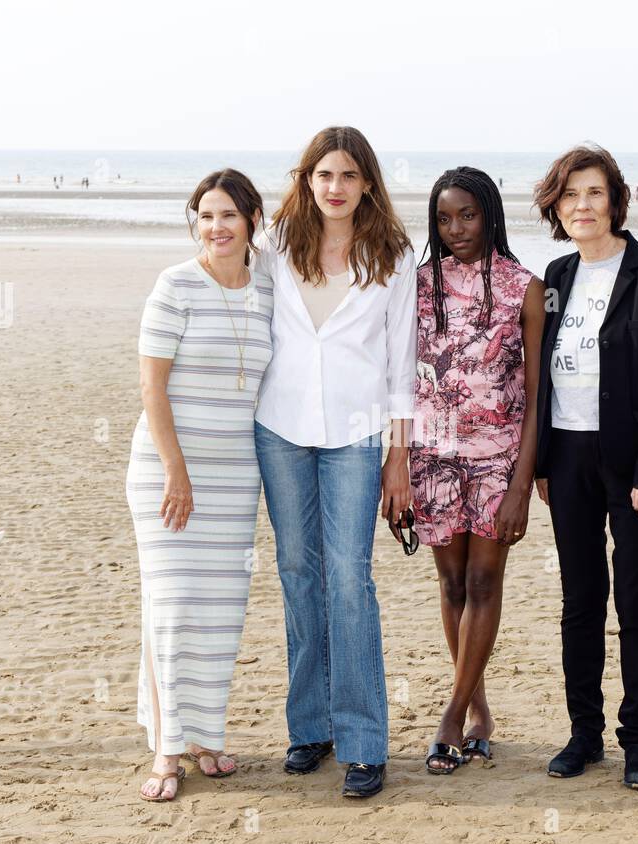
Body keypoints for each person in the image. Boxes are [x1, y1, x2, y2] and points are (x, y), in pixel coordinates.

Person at [251, 126, 417, 799]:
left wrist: (400, 452)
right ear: (307, 179)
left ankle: (362, 742)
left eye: (348, 175)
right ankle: (310, 726)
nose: (335, 187)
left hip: (356, 432)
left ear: (367, 182)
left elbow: (403, 361)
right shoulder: (276, 246)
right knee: (298, 572)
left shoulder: (394, 256)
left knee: (350, 579)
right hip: (279, 426)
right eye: (324, 175)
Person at [531, 144, 638, 790]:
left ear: (615, 200)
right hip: (566, 457)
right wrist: (541, 460)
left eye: (593, 193)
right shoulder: (554, 278)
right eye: (569, 196)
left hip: (634, 464)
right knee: (579, 603)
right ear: (556, 208)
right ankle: (583, 734)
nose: (582, 206)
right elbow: (539, 374)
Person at [126, 169, 274, 802]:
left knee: (220, 614)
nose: (217, 228)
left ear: (251, 222)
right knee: (173, 608)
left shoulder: (268, 285)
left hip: (237, 477)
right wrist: (177, 471)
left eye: (229, 216)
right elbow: (151, 387)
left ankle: (205, 735)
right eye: (207, 216)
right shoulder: (176, 285)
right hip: (168, 472)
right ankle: (166, 747)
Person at [410, 167, 546, 775]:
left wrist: (522, 482)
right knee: (452, 585)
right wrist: (398, 467)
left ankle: (451, 714)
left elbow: (539, 394)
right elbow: (397, 381)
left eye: (467, 215)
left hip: (496, 461)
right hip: (432, 457)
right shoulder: (415, 287)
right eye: (444, 218)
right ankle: (479, 708)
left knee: (485, 583)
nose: (456, 228)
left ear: (489, 214)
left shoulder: (526, 288)